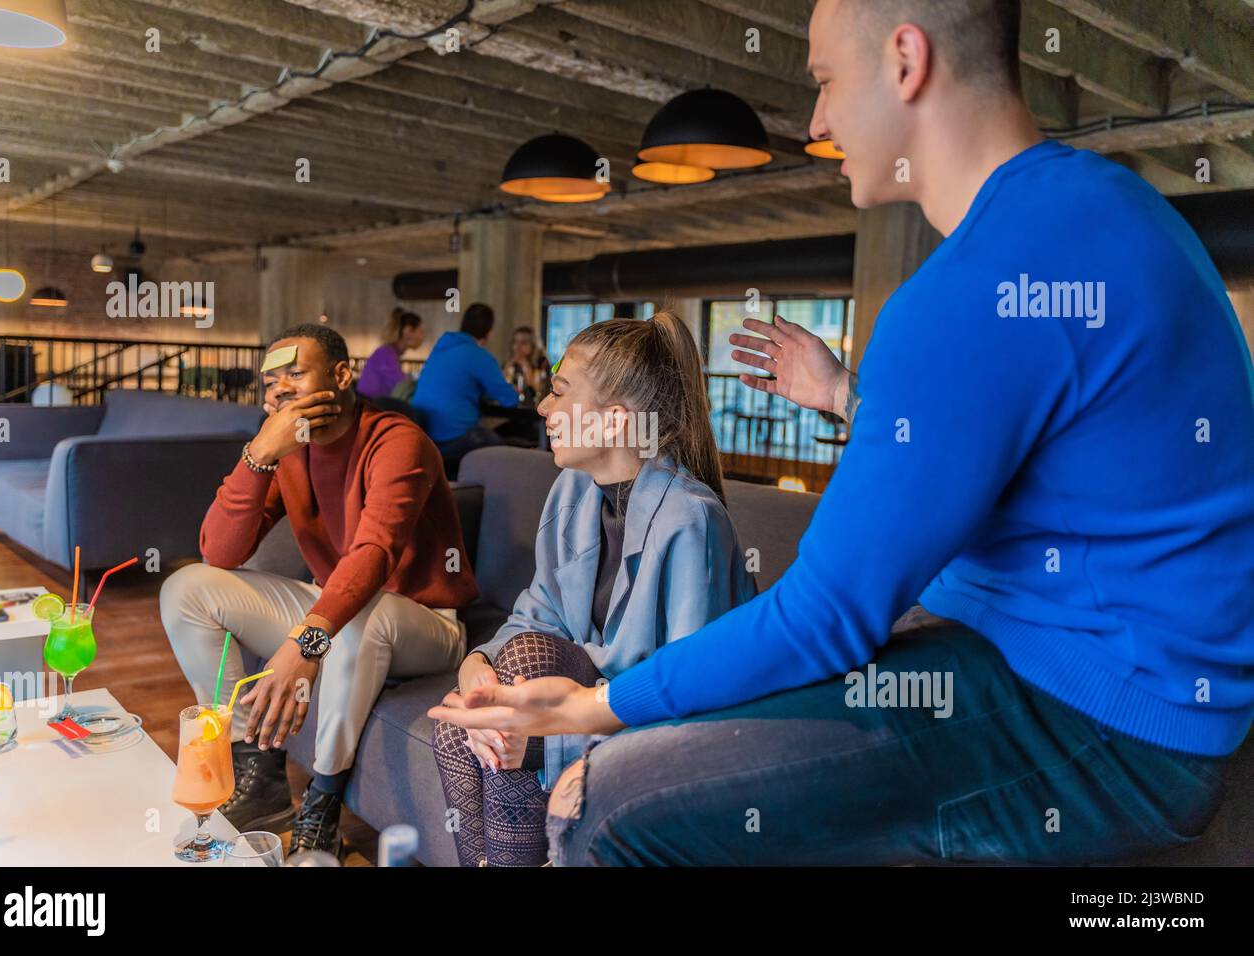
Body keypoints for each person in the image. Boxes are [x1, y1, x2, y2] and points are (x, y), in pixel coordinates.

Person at [430, 0, 1254, 866]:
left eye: (825, 81)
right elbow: (1033, 451)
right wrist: (844, 396)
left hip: (1100, 722)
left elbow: (826, 616)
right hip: (1084, 669)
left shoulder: (971, 287)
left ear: (906, 61)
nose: (818, 122)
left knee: (617, 800)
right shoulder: (1107, 206)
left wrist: (591, 709)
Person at [431, 311, 756, 866]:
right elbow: (537, 612)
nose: (542, 409)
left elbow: (685, 686)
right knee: (460, 732)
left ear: (613, 421)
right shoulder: (571, 491)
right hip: (584, 707)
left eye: (559, 394)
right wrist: (478, 666)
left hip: (668, 729)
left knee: (526, 678)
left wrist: (585, 739)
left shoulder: (690, 520)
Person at [161, 323, 478, 858]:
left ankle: (324, 797)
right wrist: (259, 453)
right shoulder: (289, 450)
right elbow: (220, 552)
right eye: (269, 383)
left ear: (340, 375)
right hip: (339, 608)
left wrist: (304, 646)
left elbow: (374, 555)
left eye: (294, 374)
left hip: (425, 624)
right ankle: (254, 769)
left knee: (363, 614)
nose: (278, 390)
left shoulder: (398, 442)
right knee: (187, 588)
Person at [412, 302, 519, 477]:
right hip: (451, 437)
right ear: (489, 332)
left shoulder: (441, 347)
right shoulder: (478, 355)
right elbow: (509, 400)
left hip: (424, 434)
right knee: (500, 446)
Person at [357, 307, 424, 403]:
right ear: (408, 331)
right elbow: (403, 388)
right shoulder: (385, 354)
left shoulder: (388, 353)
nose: (422, 337)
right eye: (420, 332)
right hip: (369, 409)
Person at [502, 325, 551, 402]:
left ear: (533, 345)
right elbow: (501, 387)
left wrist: (525, 367)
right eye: (515, 342)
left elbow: (539, 392)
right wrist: (508, 367)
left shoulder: (542, 363)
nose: (517, 347)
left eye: (523, 343)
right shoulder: (510, 363)